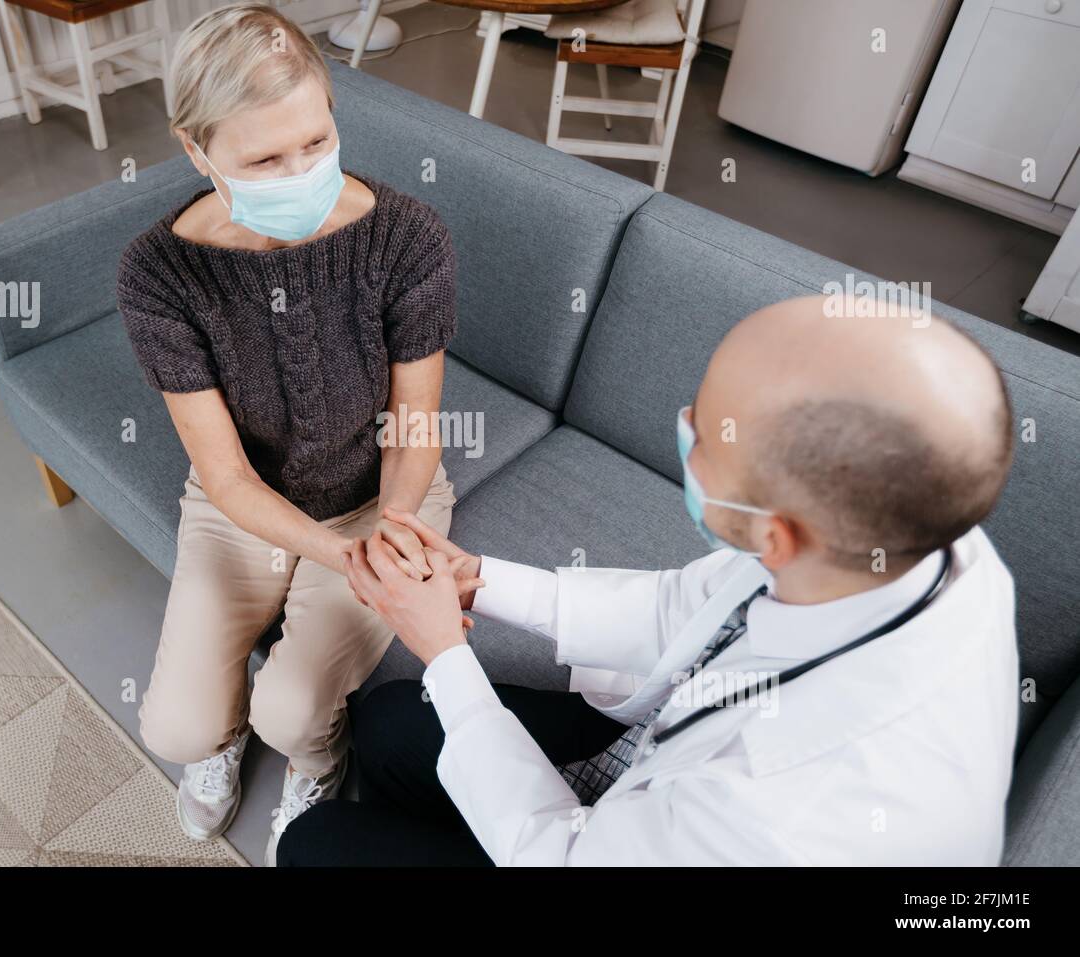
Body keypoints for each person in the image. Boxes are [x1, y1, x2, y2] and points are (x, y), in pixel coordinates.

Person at [278, 294, 1020, 866]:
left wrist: (444, 649)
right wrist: (480, 583)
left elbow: (563, 855)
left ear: (776, 533)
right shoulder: (911, 535)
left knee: (315, 843)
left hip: (610, 846)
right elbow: (683, 606)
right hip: (653, 754)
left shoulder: (790, 813)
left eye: (705, 435)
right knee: (390, 723)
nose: (687, 422)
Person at [114, 4, 458, 865]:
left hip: (381, 495)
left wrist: (385, 531)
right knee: (177, 725)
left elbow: (416, 429)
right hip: (242, 508)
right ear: (196, 149)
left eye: (315, 140)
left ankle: (316, 760)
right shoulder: (159, 274)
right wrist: (326, 554)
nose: (300, 170)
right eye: (265, 158)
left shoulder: (407, 236)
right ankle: (226, 730)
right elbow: (226, 479)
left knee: (294, 710)